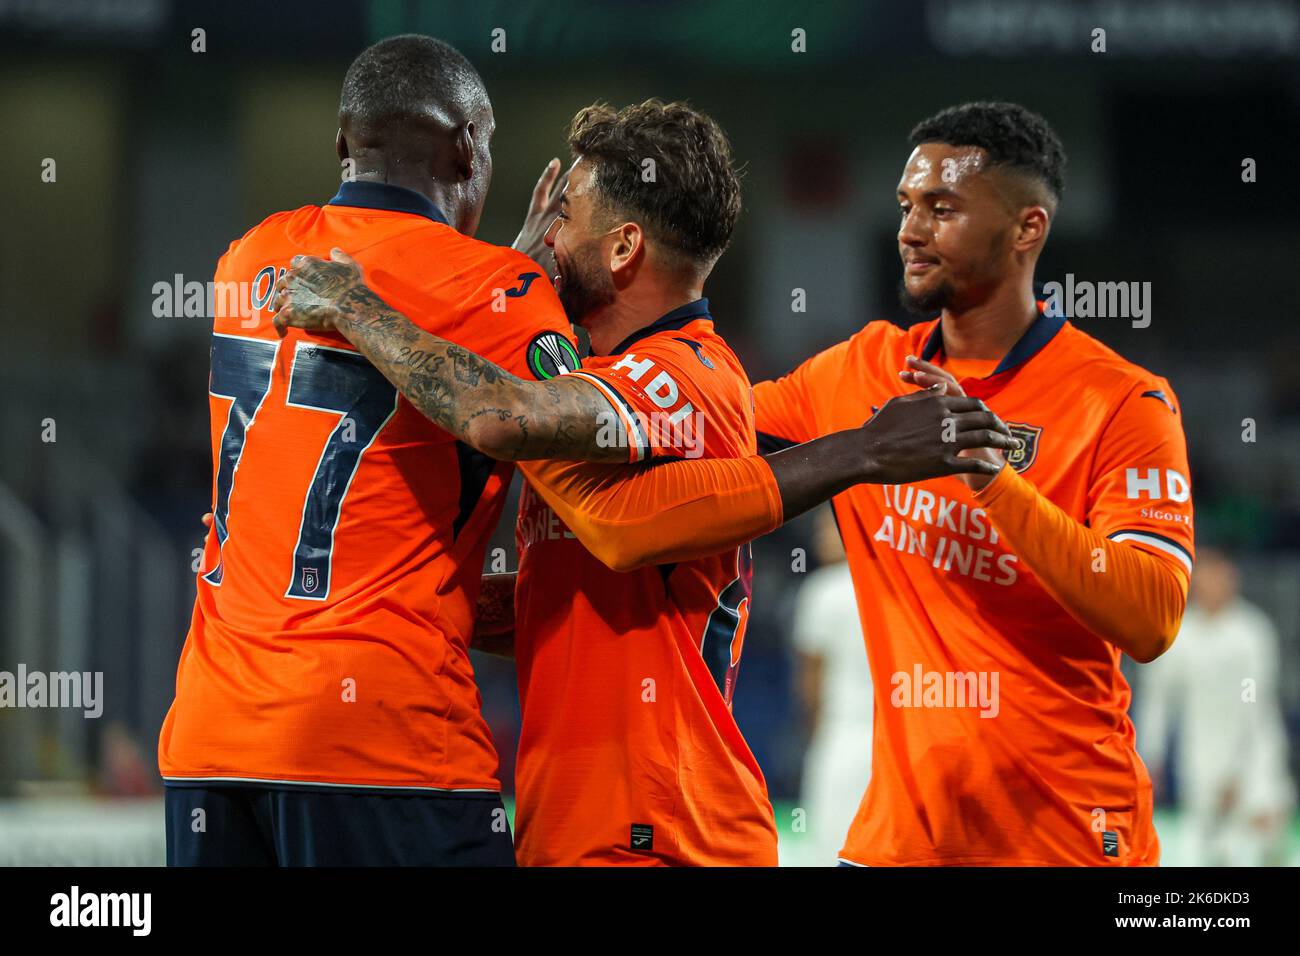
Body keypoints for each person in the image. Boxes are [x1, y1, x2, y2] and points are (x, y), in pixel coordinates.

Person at [314, 100, 1193, 866]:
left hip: (1069, 837)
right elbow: (700, 455)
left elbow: (1151, 617)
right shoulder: (862, 372)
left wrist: (992, 480)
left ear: (1027, 229)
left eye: (942, 207)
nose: (910, 228)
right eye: (904, 205)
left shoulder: (1122, 401)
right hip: (898, 839)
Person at [1137, 547, 1294, 866]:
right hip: (1200, 758)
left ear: (1231, 579)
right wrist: (1148, 756)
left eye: (1220, 576)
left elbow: (1254, 700)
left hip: (1254, 750)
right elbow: (1159, 701)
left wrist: (1241, 770)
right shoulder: (1178, 634)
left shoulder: (1250, 632)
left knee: (1267, 846)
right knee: (1210, 850)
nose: (1213, 585)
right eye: (1206, 578)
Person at [790, 506, 872, 866]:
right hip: (899, 745)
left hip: (841, 739)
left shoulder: (823, 591)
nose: (819, 536)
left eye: (829, 528)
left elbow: (811, 684)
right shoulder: (891, 587)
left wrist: (812, 736)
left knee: (830, 851)